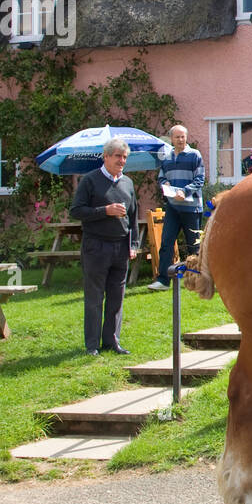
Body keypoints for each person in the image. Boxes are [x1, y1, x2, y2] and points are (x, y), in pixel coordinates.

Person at [71, 137, 140, 355]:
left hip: (121, 247)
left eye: (125, 157)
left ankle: (112, 341)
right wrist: (105, 211)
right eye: (118, 156)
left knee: (116, 297)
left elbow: (133, 216)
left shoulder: (127, 183)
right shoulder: (89, 180)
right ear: (106, 156)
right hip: (96, 246)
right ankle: (92, 345)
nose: (122, 161)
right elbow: (76, 211)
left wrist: (135, 244)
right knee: (94, 297)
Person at [149, 124, 205, 291]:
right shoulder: (166, 157)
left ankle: (198, 280)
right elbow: (161, 178)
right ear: (171, 139)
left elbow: (200, 179)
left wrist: (185, 191)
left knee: (193, 246)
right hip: (173, 207)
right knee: (166, 243)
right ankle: (163, 281)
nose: (180, 140)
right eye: (177, 137)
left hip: (191, 207)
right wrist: (164, 183)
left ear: (186, 138)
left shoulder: (195, 155)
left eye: (183, 136)